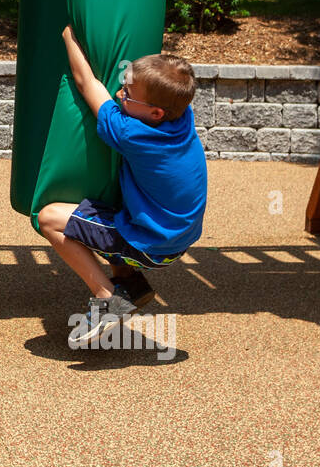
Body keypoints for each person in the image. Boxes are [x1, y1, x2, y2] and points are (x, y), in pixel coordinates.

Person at [36, 26, 208, 347]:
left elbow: (87, 82)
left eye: (128, 95)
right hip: (175, 237)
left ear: (155, 112)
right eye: (122, 87)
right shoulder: (182, 117)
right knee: (113, 207)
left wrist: (69, 36)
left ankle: (108, 298)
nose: (119, 95)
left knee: (49, 218)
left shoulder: (134, 134)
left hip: (152, 246)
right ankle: (133, 285)